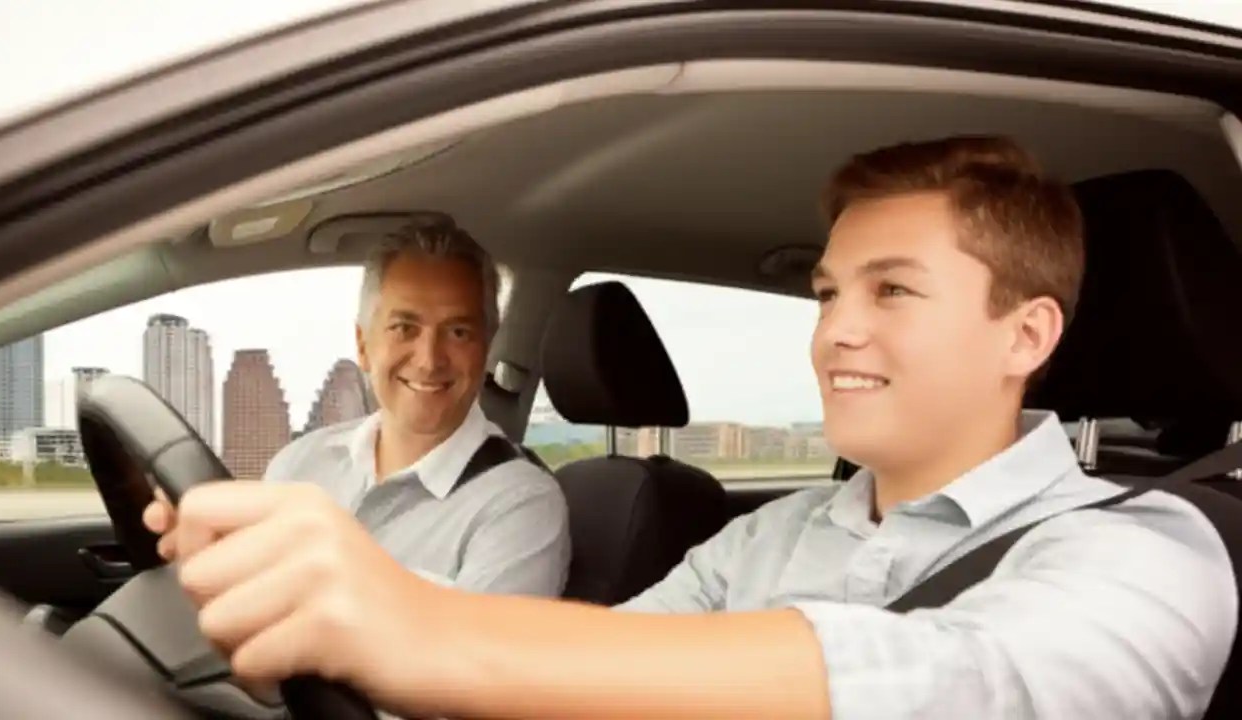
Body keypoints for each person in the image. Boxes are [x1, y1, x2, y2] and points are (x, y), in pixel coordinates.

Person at [145, 137, 1235, 719]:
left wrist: (420, 633)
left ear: (1023, 334)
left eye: (890, 293)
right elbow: (611, 665)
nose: (834, 335)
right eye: (824, 293)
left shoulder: (1146, 550)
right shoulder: (765, 539)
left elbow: (975, 686)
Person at [259, 220, 570, 597]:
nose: (428, 360)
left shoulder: (521, 505)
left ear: (486, 348)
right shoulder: (298, 464)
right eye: (405, 328)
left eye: (458, 332)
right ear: (362, 344)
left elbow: (478, 656)